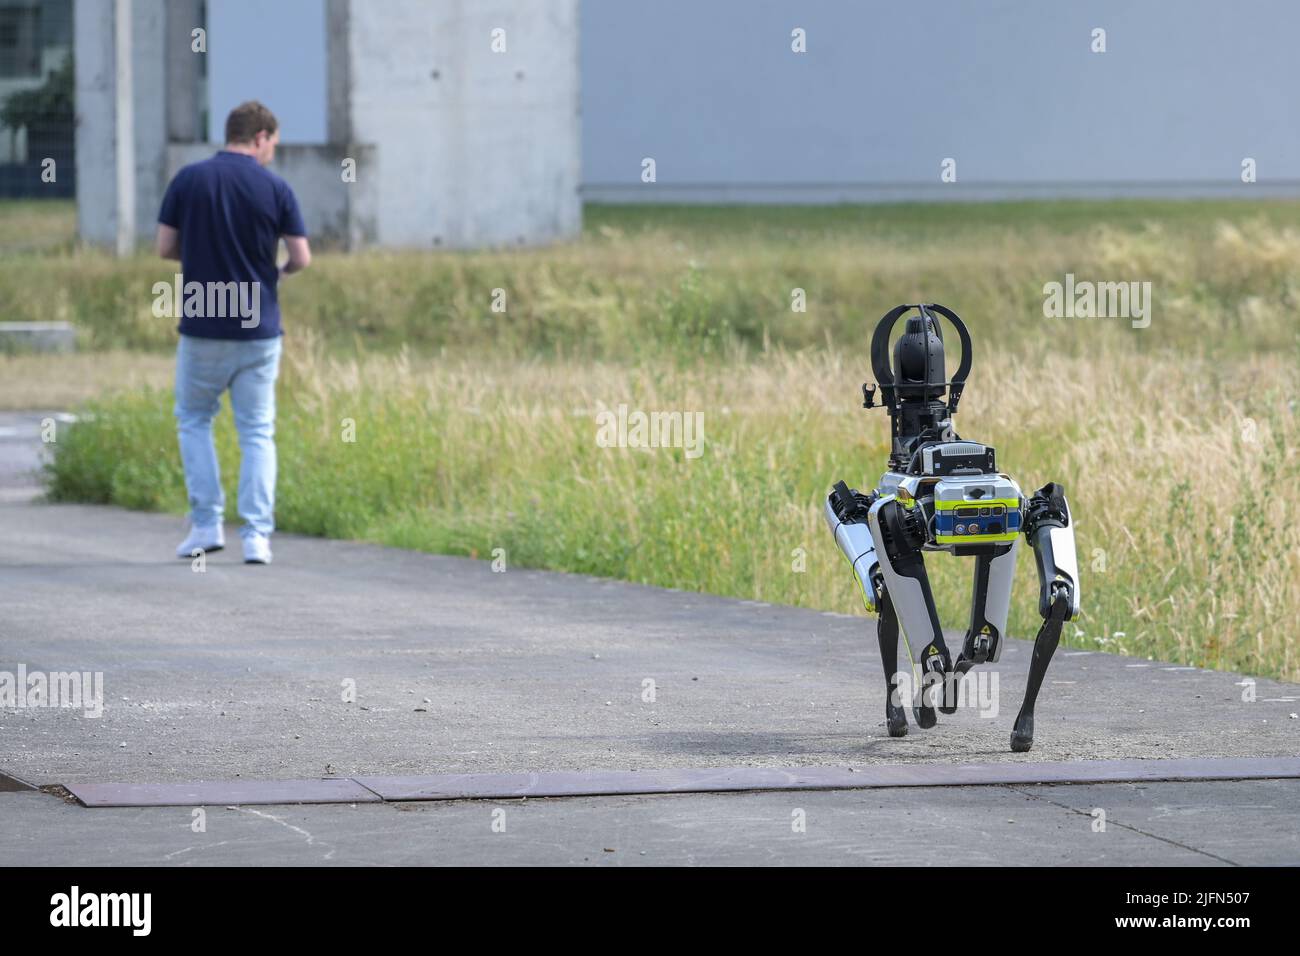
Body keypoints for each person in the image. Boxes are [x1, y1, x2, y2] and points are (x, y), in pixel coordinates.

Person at [156, 100, 311, 565]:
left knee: (194, 419)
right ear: (260, 137)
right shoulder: (276, 188)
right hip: (259, 329)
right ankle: (257, 537)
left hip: (203, 322)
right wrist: (275, 274)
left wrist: (203, 256)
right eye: (273, 145)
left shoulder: (189, 179)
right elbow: (301, 257)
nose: (272, 154)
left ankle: (205, 526)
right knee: (257, 431)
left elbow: (164, 247)